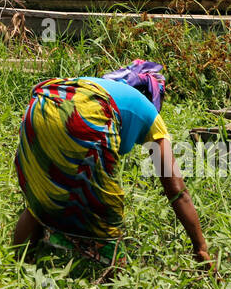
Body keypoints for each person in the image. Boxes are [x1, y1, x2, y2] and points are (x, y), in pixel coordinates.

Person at [12, 62, 211, 269]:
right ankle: (115, 279)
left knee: (41, 196)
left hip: (41, 105)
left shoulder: (102, 86)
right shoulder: (149, 113)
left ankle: (17, 265)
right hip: (86, 115)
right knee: (106, 212)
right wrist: (200, 246)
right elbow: (176, 190)